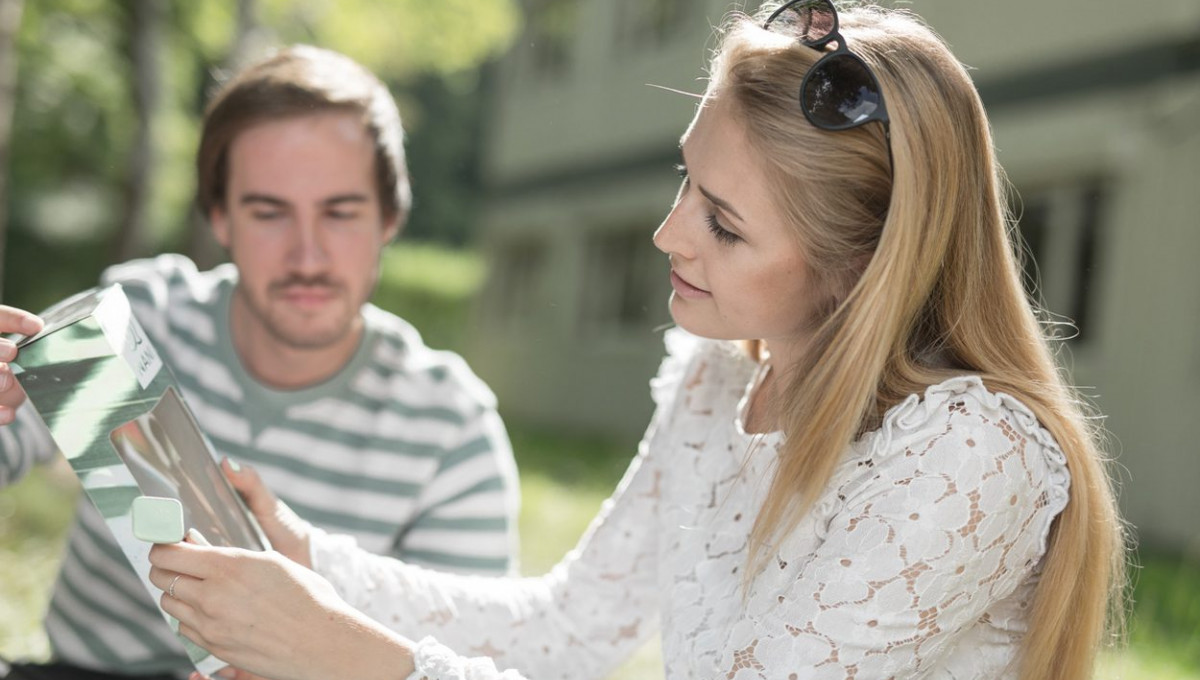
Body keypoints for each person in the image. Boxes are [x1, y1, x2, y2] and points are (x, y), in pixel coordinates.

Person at [146, 2, 1126, 679]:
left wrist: (345, 652)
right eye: (686, 182)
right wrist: (309, 557)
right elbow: (567, 628)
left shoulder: (966, 456)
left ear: (860, 268)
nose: (669, 234)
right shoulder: (720, 380)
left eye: (726, 223)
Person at [0, 45, 520, 679]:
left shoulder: (453, 429)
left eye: (340, 212)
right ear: (219, 216)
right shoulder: (141, 315)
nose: (307, 255)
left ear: (390, 217)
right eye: (269, 212)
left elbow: (467, 657)